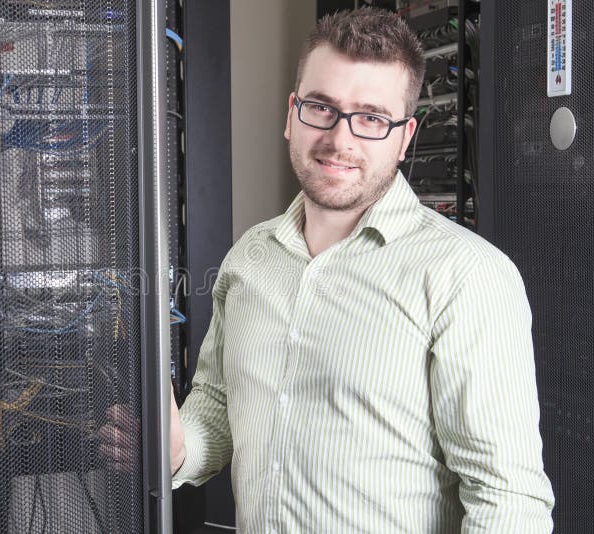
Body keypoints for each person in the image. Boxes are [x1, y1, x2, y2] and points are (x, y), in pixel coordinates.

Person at [101, 7, 554, 533]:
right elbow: (220, 407)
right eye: (322, 107)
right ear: (292, 114)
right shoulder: (249, 259)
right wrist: (178, 448)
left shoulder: (467, 276)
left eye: (371, 118)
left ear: (405, 137)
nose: (340, 141)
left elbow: (507, 501)